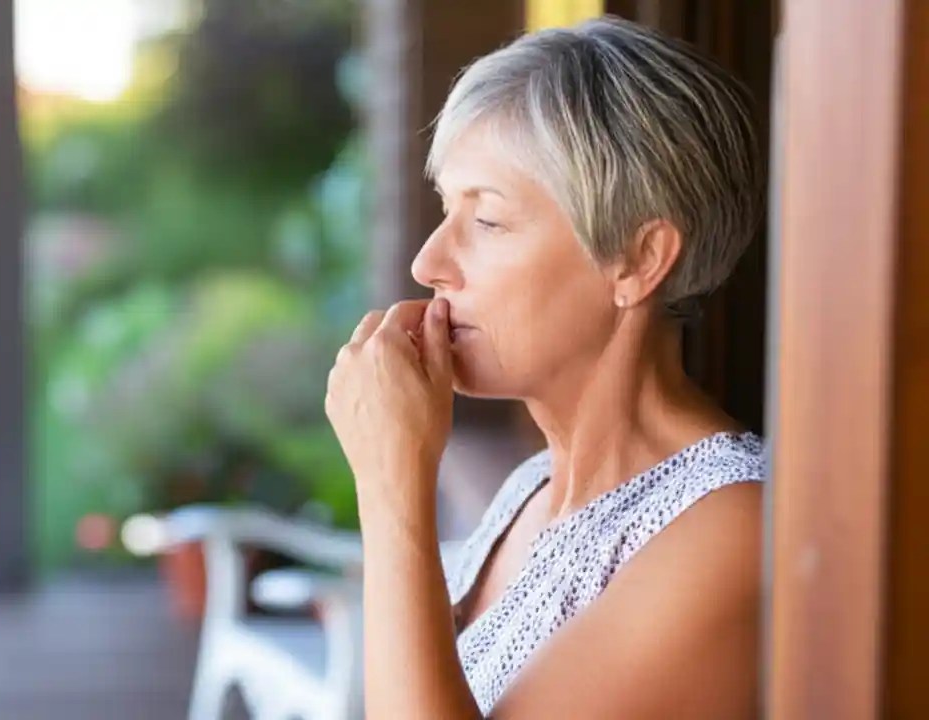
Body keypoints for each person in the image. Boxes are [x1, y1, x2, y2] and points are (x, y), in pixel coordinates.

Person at [325, 16, 765, 719]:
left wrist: (390, 483)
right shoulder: (533, 488)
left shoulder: (731, 532)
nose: (428, 263)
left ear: (638, 260)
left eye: (488, 221)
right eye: (447, 209)